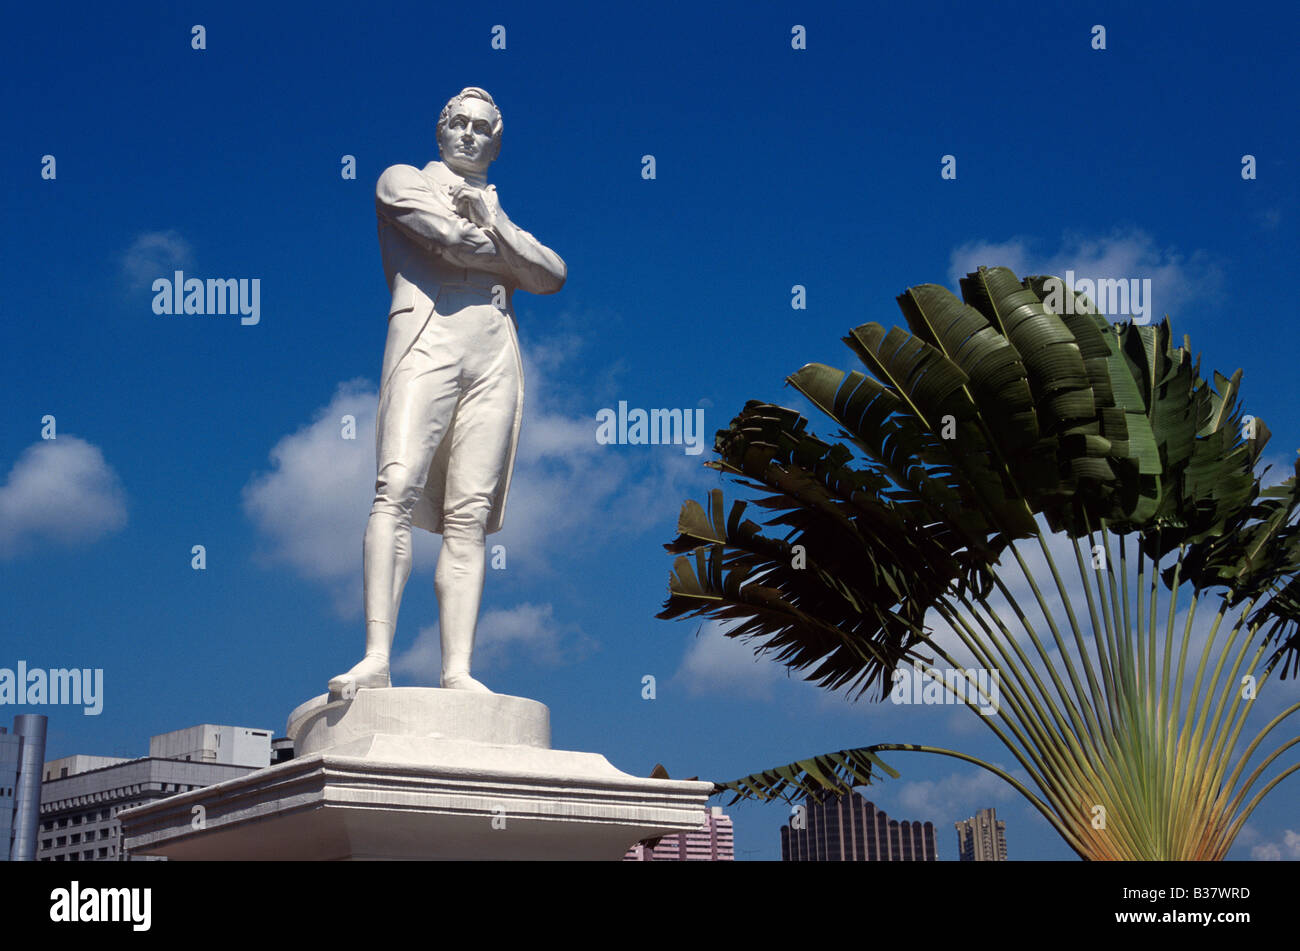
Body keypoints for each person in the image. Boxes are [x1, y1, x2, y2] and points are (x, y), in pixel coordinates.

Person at [329, 87, 565, 697]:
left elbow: (551, 276)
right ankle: (375, 656)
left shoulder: (495, 208)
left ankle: (457, 669)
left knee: (470, 516)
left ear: (497, 141)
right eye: (457, 123)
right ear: (440, 131)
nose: (468, 134)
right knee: (396, 487)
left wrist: (497, 225)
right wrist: (505, 252)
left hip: (494, 353)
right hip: (427, 337)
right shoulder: (401, 179)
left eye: (481, 127)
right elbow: (450, 242)